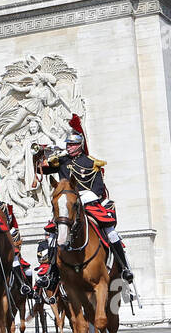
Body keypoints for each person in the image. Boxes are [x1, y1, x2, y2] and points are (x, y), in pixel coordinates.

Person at [35, 114, 132, 281]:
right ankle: (52, 272)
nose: (69, 147)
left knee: (111, 232)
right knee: (51, 236)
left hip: (88, 203)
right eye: (68, 144)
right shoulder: (61, 161)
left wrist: (81, 197)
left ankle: (124, 268)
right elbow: (41, 169)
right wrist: (40, 154)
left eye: (72, 144)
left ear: (79, 146)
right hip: (68, 205)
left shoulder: (92, 163)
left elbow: (98, 188)